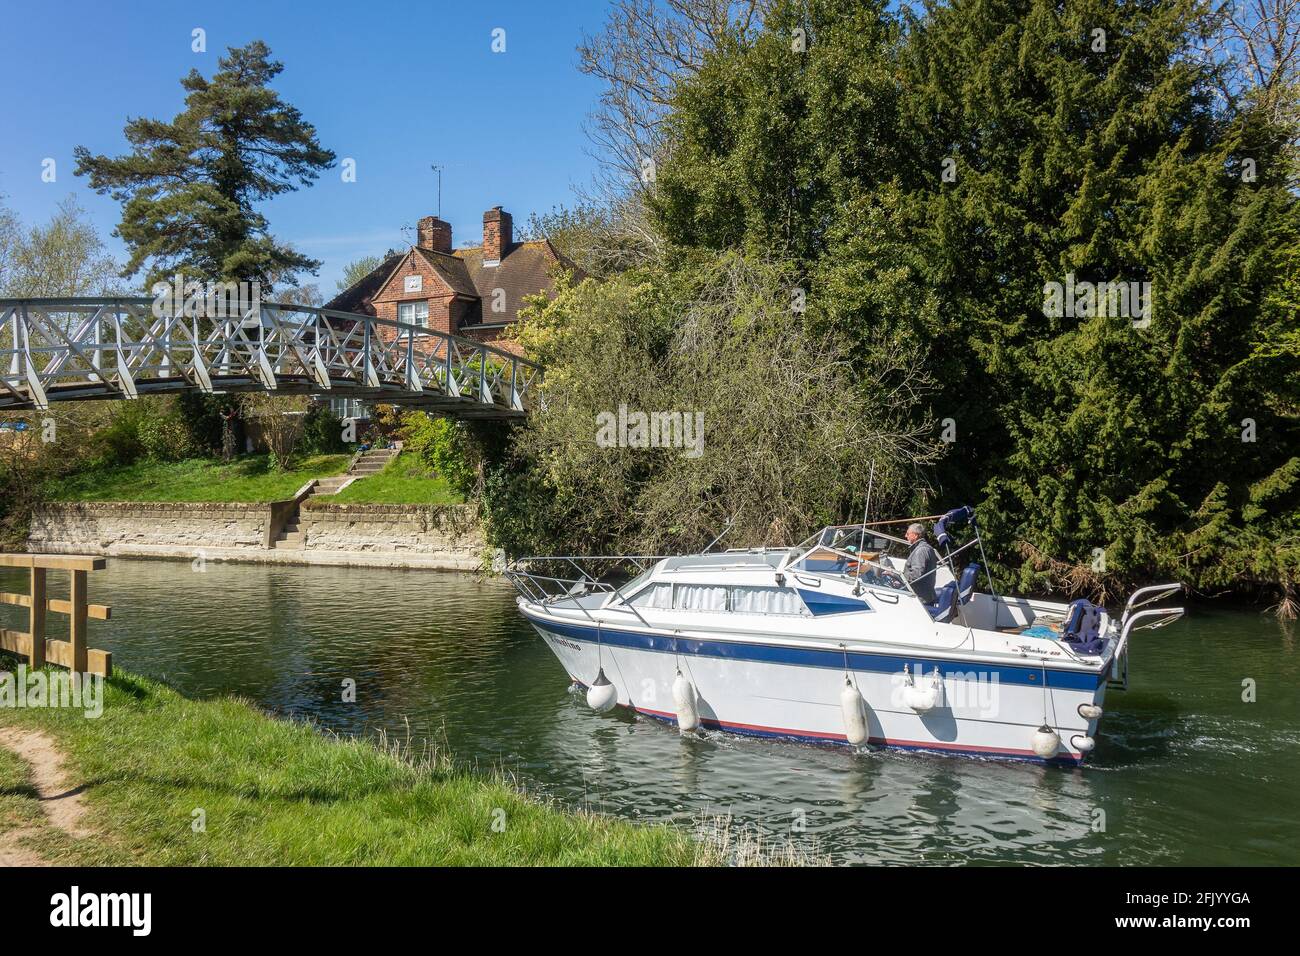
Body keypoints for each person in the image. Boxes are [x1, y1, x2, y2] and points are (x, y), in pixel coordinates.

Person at [904, 522, 938, 604]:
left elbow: (916, 575)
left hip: (920, 600)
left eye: (908, 533)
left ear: (915, 535)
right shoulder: (926, 548)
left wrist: (899, 577)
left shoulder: (921, 551)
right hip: (926, 596)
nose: (905, 536)